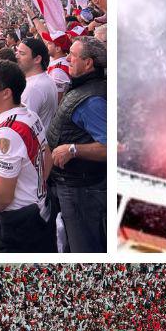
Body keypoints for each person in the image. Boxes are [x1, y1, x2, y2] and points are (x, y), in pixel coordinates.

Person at [0, 59, 53, 252]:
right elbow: (48, 159)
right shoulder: (29, 115)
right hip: (38, 211)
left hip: (18, 223)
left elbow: (3, 196)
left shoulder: (9, 132)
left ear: (6, 93)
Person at [46, 36, 106, 252]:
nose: (68, 58)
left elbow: (111, 148)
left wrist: (73, 149)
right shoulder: (86, 88)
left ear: (88, 63)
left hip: (82, 192)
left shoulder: (92, 101)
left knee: (85, 248)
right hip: (74, 187)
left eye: (73, 55)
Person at [15, 36, 58, 133]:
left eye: (22, 53)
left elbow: (23, 126)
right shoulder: (43, 79)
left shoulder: (33, 88)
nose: (16, 56)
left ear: (37, 59)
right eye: (17, 52)